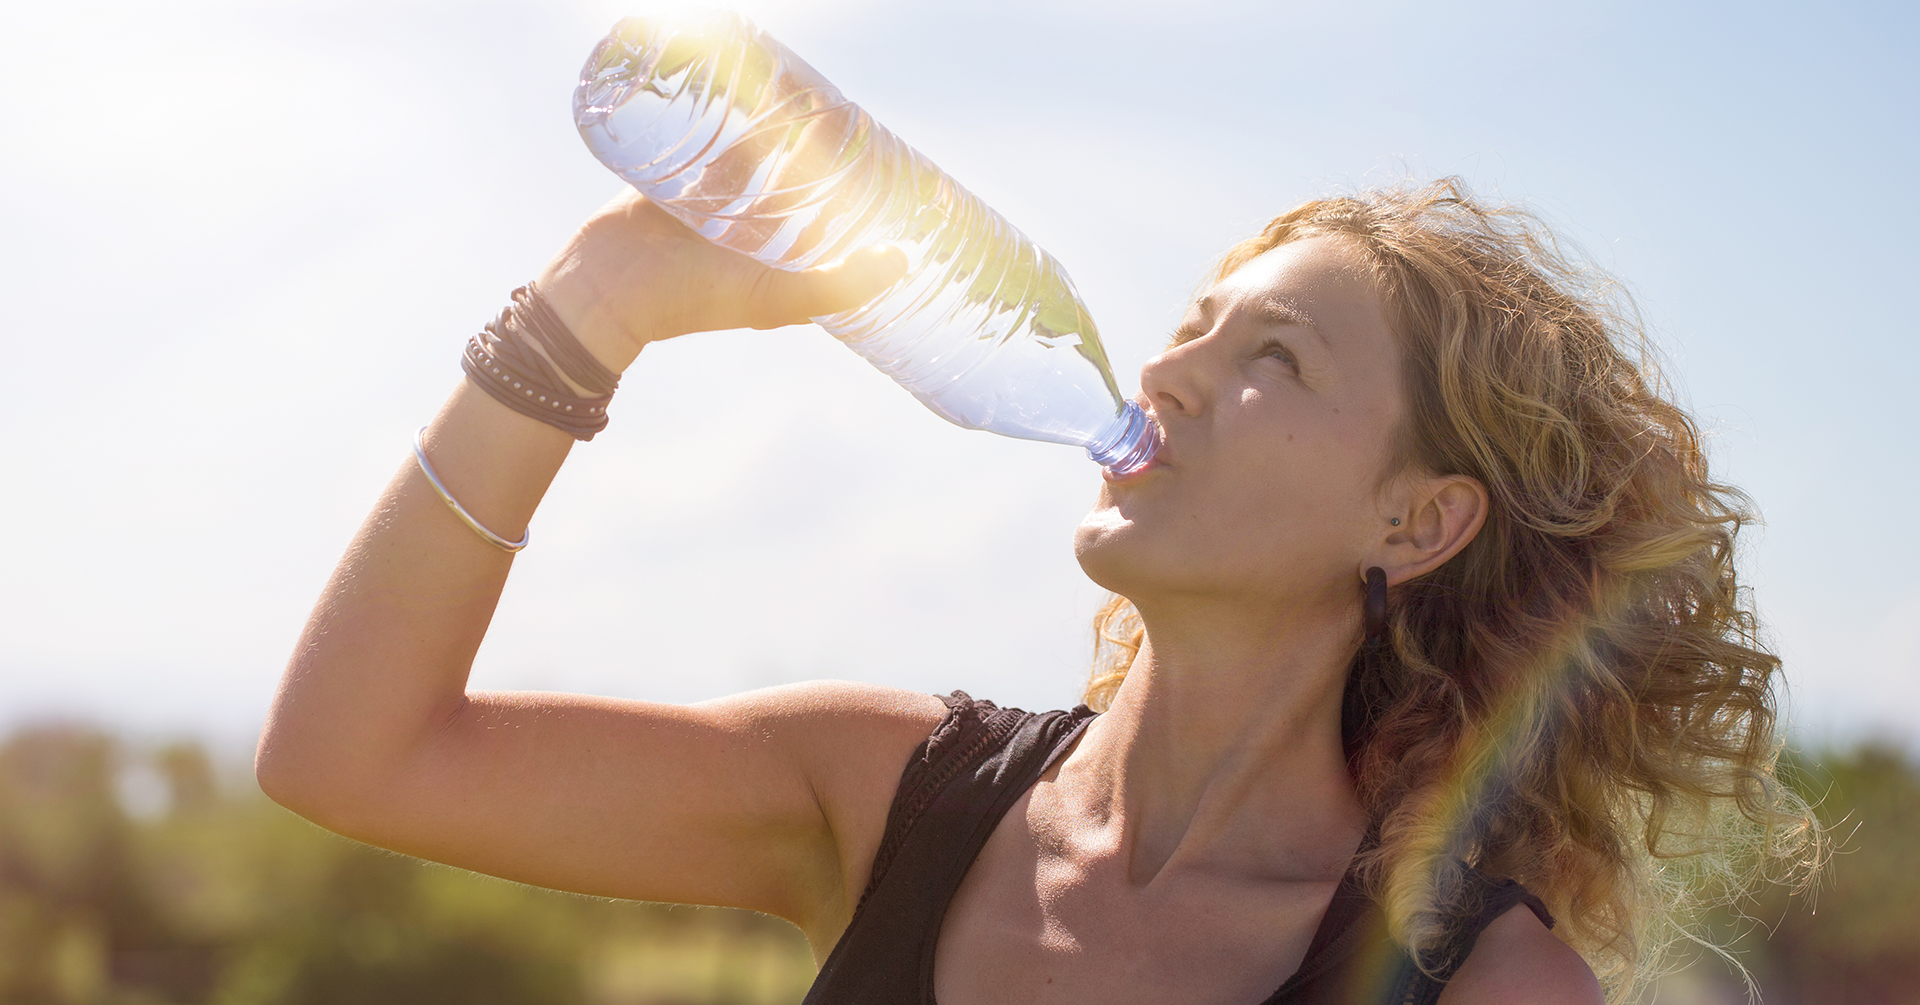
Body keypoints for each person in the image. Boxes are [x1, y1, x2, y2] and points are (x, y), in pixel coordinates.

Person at [256, 178, 1819, 1004]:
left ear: (1419, 520)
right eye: (1194, 325)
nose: (1167, 372)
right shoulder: (895, 797)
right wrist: (598, 299)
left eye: (1270, 357)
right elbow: (349, 754)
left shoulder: (1483, 984)